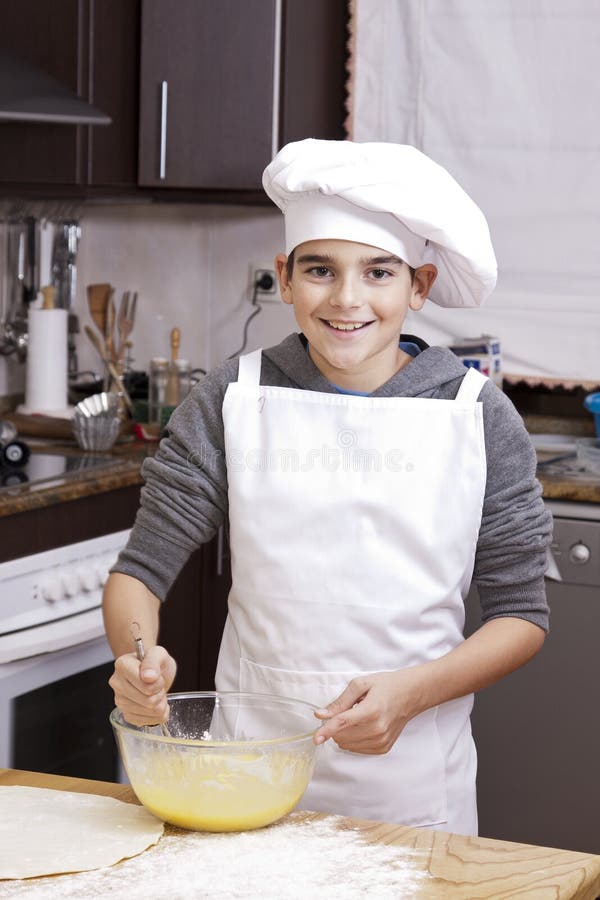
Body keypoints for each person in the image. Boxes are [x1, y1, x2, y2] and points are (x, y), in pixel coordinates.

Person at [103, 139, 552, 835]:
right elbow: (140, 571)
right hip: (247, 773)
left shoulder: (478, 415)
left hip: (411, 787)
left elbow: (522, 616)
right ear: (285, 277)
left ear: (419, 286)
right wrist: (137, 661)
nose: (347, 299)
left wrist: (409, 695)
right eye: (320, 270)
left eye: (379, 272)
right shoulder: (232, 397)